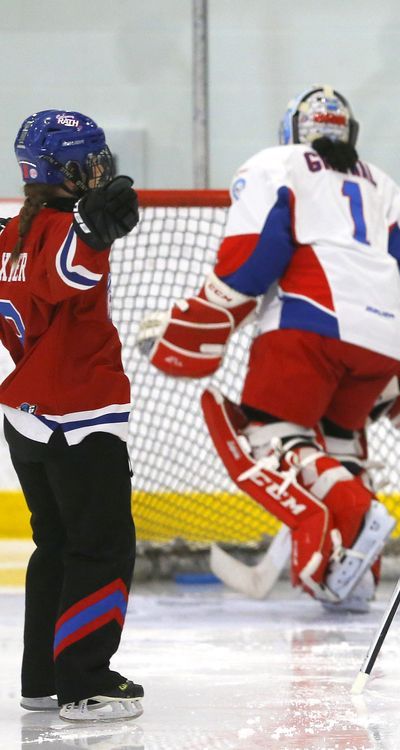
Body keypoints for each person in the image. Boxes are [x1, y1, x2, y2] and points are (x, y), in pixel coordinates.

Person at [138, 85, 400, 612]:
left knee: (270, 437)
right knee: (339, 444)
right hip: (383, 339)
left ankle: (352, 507)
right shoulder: (382, 182)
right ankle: (354, 577)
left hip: (308, 324)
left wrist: (196, 319)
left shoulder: (277, 163)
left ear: (292, 130)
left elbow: (255, 258)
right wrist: (394, 357)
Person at [0, 111, 143, 721]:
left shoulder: (12, 231)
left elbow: (38, 275)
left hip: (26, 416)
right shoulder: (65, 232)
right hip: (77, 417)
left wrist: (87, 229)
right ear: (65, 168)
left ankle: (42, 679)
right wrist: (91, 233)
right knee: (101, 547)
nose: (101, 170)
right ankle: (85, 682)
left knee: (55, 547)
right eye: (92, 160)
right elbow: (66, 274)